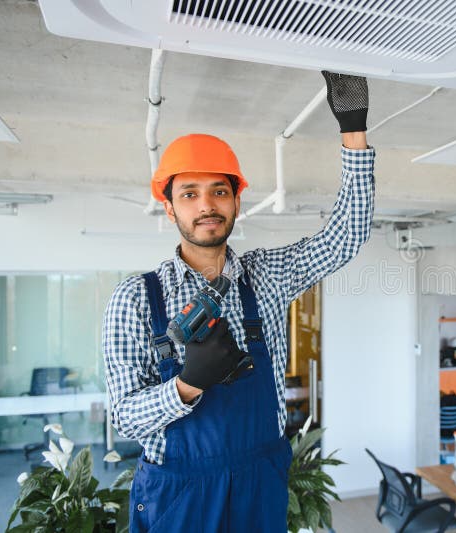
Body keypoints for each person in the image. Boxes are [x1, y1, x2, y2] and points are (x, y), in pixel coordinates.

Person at [102, 71, 374, 532]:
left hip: (259, 479)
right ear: (170, 207)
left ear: (235, 202)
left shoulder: (267, 276)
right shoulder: (136, 298)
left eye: (219, 191)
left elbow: (346, 235)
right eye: (190, 193)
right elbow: (125, 417)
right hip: (179, 492)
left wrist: (353, 124)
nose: (207, 205)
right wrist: (187, 385)